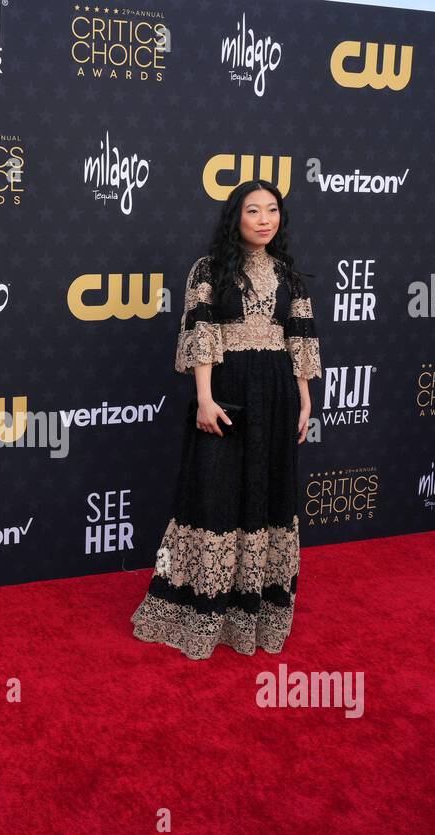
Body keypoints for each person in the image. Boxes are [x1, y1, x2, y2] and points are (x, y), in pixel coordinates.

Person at [131, 180, 321, 659]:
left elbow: (300, 340)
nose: (264, 219)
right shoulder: (209, 270)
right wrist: (204, 400)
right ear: (235, 216)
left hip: (276, 394)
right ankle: (199, 612)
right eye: (253, 210)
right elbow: (201, 333)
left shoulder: (289, 276)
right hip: (228, 393)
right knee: (213, 497)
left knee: (266, 495)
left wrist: (304, 399)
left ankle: (251, 616)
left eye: (272, 210)